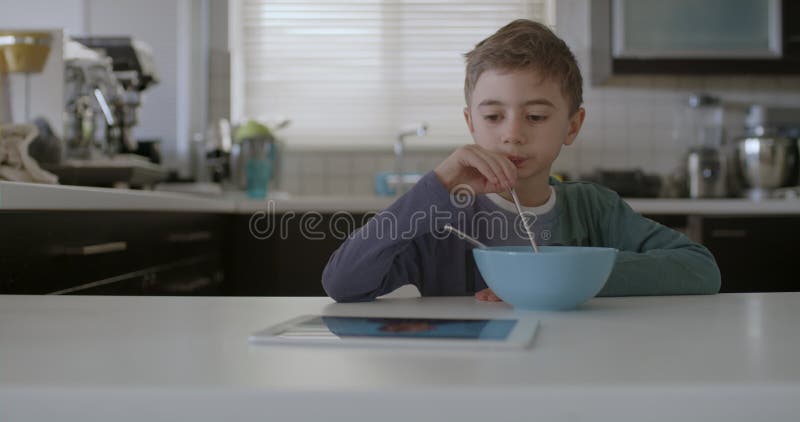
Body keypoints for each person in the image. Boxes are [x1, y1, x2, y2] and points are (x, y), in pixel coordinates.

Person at [322, 19, 720, 303]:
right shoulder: (441, 218)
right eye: (493, 116)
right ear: (471, 124)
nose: (512, 133)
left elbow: (701, 269)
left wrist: (568, 279)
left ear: (572, 125)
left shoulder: (595, 209)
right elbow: (343, 283)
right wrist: (437, 186)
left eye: (535, 117)